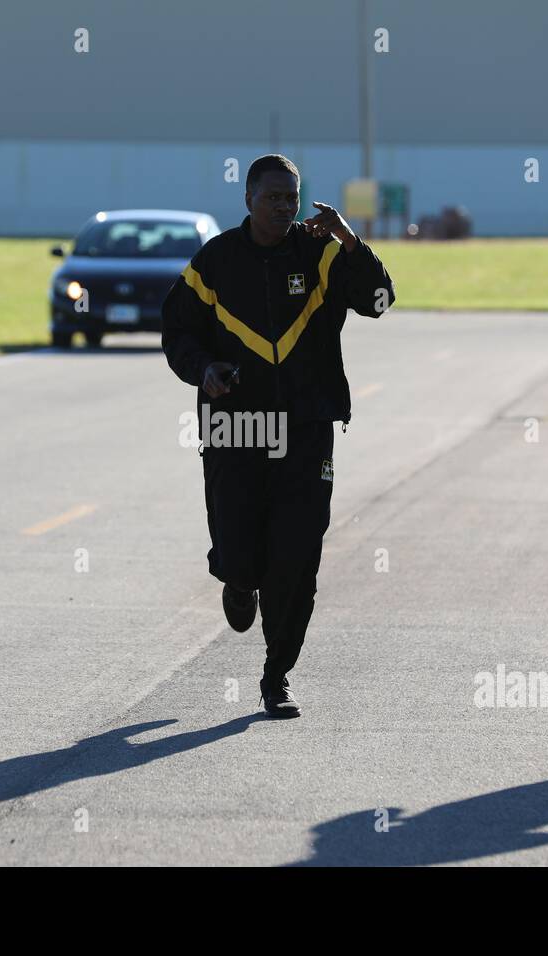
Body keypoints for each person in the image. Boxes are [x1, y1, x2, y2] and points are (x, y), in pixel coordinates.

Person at [162, 154, 395, 718]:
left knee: (297, 556)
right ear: (248, 199)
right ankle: (238, 581)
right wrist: (204, 370)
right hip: (235, 427)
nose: (285, 207)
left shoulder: (319, 255)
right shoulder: (215, 261)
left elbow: (380, 301)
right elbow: (177, 332)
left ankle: (276, 676)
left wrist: (350, 242)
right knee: (242, 553)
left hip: (306, 427)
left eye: (292, 198)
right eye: (273, 197)